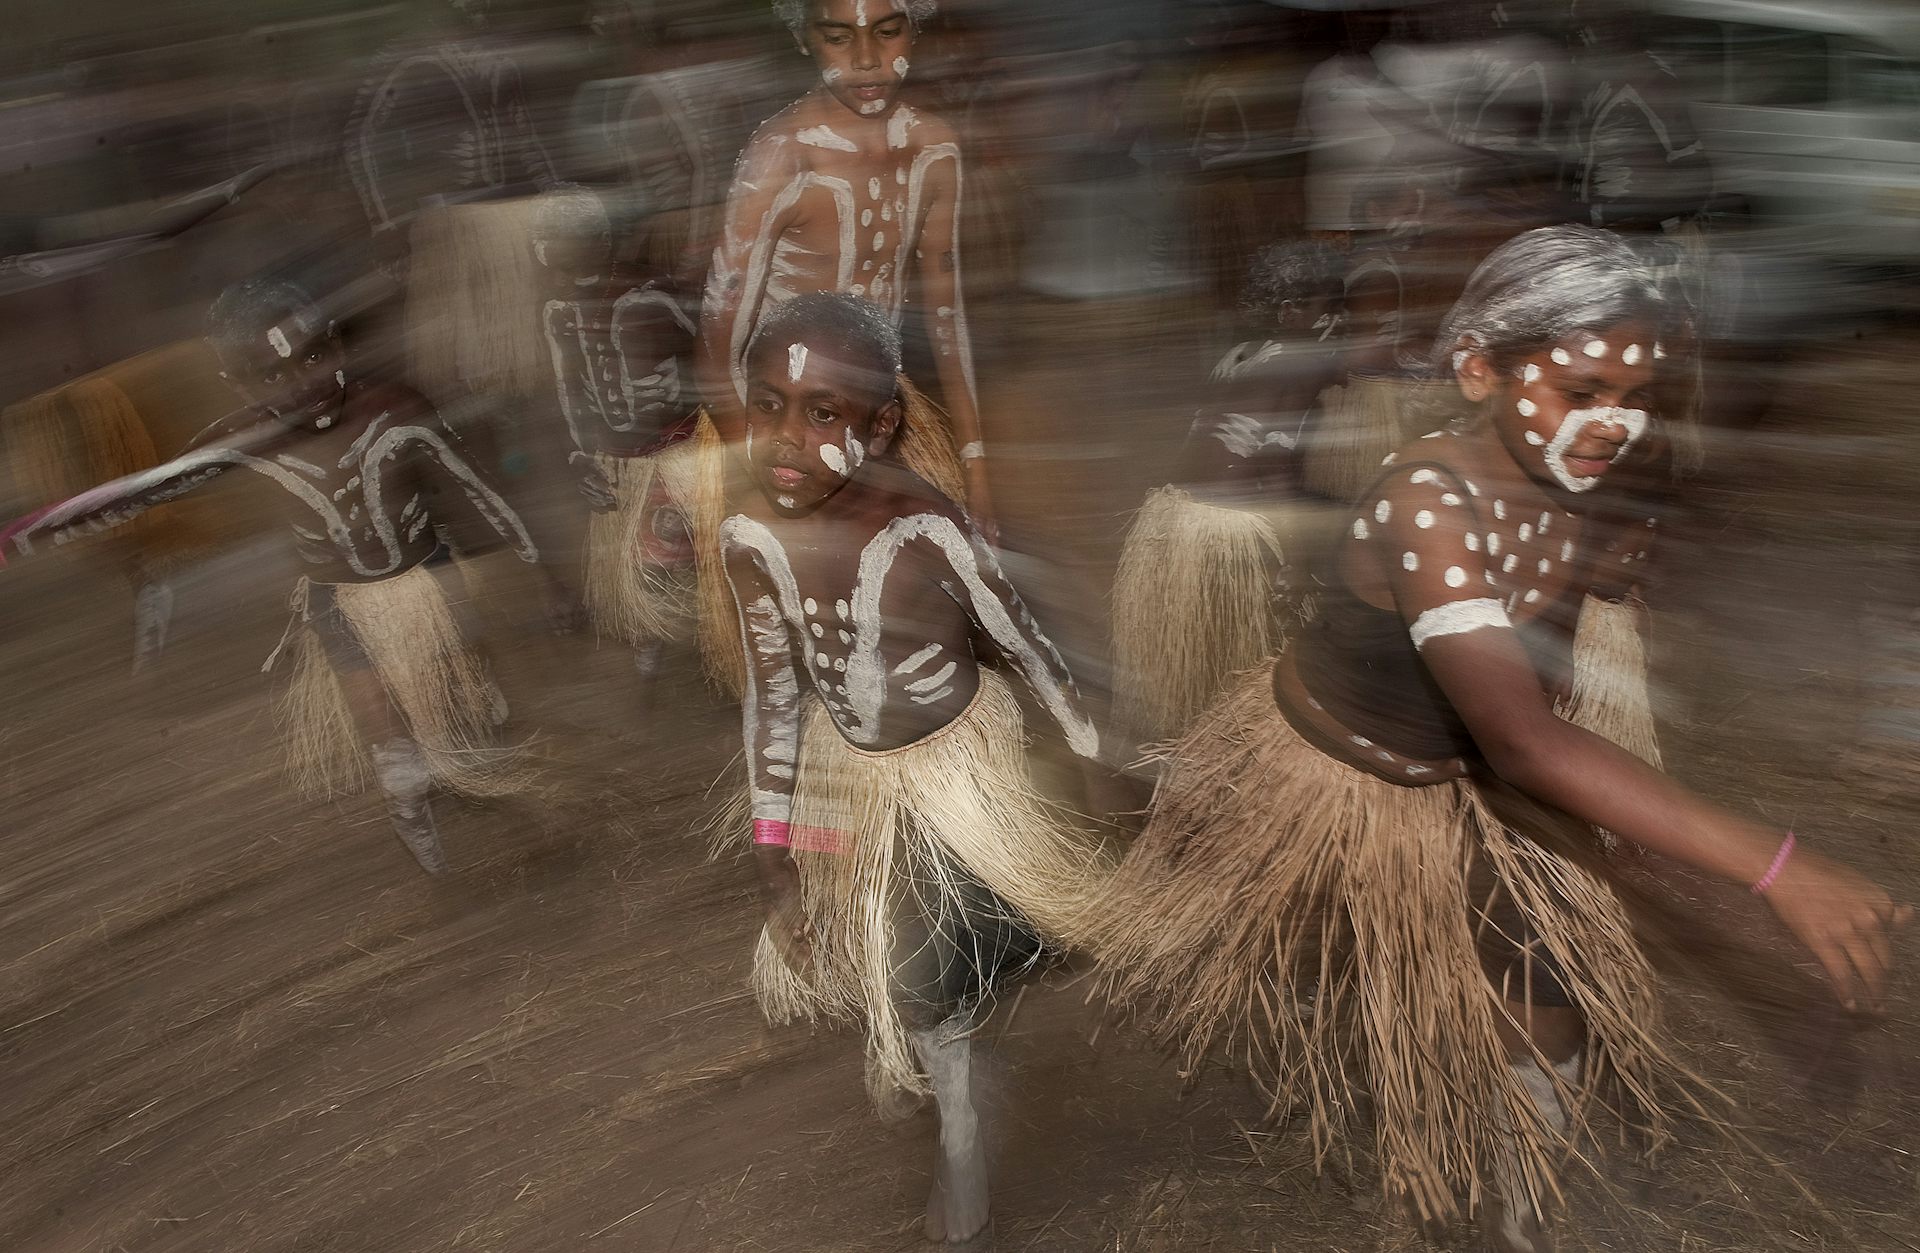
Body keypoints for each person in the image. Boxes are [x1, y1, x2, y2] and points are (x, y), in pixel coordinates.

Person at [1084, 226, 1907, 1252]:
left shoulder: (1588, 479)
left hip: (1481, 782)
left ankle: (1525, 1212)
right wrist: (1777, 865)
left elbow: (1547, 681)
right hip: (1346, 776)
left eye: (1636, 396)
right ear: (1480, 370)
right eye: (1581, 390)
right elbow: (1523, 740)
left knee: (1545, 994)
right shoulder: (1426, 502)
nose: (1614, 422)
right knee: (1338, 975)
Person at [719, 292, 1116, 1245]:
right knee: (896, 951)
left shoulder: (920, 521)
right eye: (767, 404)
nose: (786, 435)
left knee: (926, 965)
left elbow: (1021, 640)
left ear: (882, 423)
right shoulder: (749, 536)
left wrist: (1090, 754)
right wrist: (774, 843)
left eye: (823, 412)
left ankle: (962, 1121)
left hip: (955, 774)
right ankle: (956, 1037)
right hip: (849, 775)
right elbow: (774, 696)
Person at [0, 277, 567, 876]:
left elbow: (479, 490)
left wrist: (546, 574)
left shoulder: (395, 410)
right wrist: (20, 537)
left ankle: (480, 761)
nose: (302, 383)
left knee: (472, 700)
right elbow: (135, 494)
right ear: (238, 385)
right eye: (271, 375)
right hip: (340, 602)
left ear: (337, 345)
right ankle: (410, 803)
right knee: (386, 734)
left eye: (314, 358)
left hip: (427, 575)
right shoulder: (240, 444)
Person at [693, 0, 988, 692]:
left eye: (888, 31)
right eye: (837, 36)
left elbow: (947, 313)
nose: (865, 59)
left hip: (876, 409)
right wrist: (758, 472)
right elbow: (717, 336)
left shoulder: (935, 146)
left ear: (916, 29)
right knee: (805, 631)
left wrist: (977, 466)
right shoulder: (783, 152)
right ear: (804, 38)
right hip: (778, 415)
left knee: (905, 616)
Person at [1109, 239, 1348, 742]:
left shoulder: (1240, 354)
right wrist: (1297, 560)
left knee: (1199, 647)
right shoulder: (1298, 363)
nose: (1337, 322)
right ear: (1289, 312)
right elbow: (1276, 470)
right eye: (1329, 309)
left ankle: (1184, 732)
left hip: (1173, 513)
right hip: (1228, 526)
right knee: (1246, 656)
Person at [530, 184, 702, 673]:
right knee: (641, 559)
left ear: (601, 239)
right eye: (543, 236)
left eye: (559, 235)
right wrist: (580, 455)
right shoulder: (558, 310)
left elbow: (711, 354)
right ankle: (652, 630)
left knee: (691, 547)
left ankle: (713, 633)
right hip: (619, 458)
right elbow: (569, 388)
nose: (546, 247)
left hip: (677, 447)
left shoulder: (655, 293)